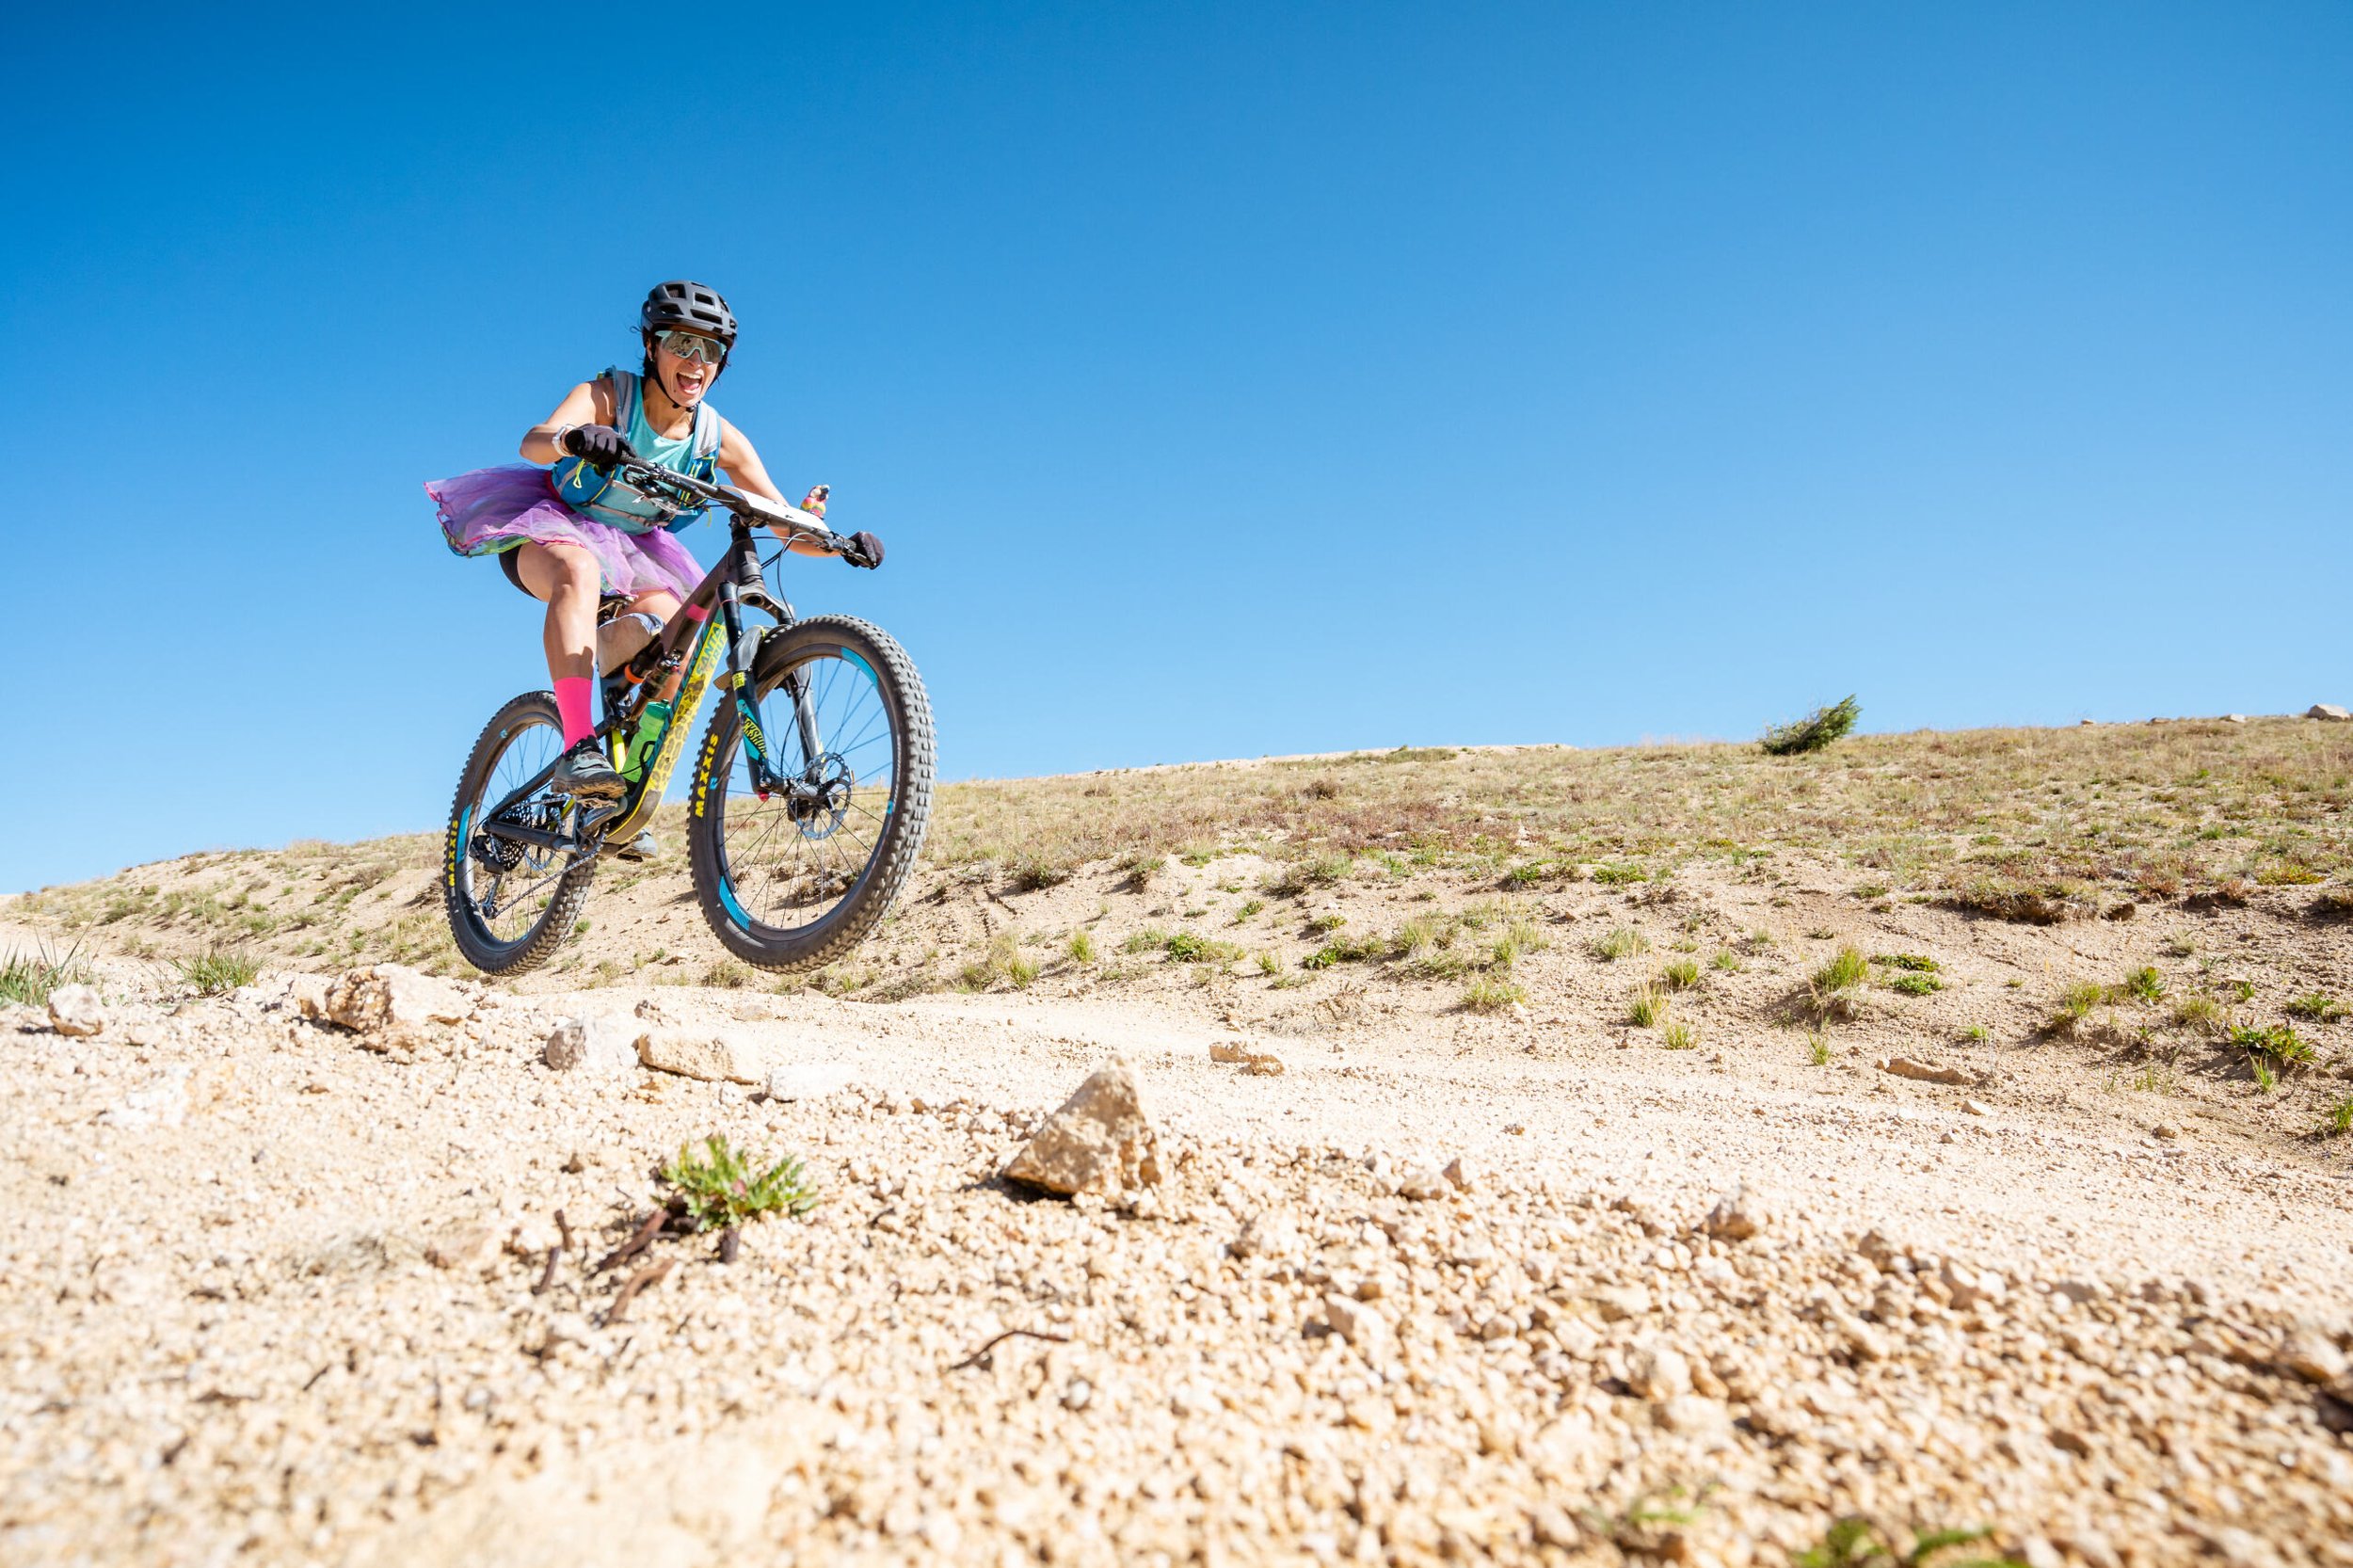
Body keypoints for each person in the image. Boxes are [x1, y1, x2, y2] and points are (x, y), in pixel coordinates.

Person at [427, 280, 877, 857]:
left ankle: (617, 798)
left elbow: (781, 519)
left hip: (639, 555)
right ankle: (576, 746)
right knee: (579, 568)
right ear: (651, 347)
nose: (696, 363)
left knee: (677, 640)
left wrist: (839, 543)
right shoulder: (611, 395)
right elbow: (533, 442)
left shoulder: (718, 437)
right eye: (682, 345)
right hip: (550, 530)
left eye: (710, 351)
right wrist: (576, 437)